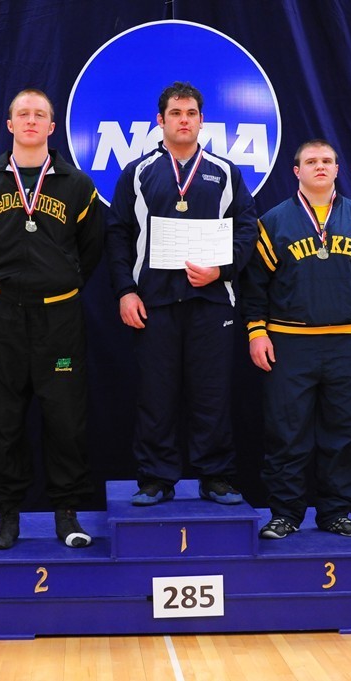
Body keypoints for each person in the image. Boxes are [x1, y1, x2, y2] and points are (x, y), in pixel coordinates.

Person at [0, 88, 103, 550]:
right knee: (2, 418)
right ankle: (6, 514)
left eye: (39, 114)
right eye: (22, 113)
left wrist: (56, 281)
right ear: (9, 124)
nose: (30, 121)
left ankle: (67, 511)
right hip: (3, 316)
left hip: (59, 317)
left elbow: (91, 250)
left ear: (51, 126)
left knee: (66, 417)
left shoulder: (76, 185)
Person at [106, 81, 258, 506]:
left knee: (212, 393)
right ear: (161, 120)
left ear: (201, 120)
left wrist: (221, 269)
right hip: (153, 300)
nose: (184, 120)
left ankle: (216, 477)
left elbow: (247, 228)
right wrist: (125, 291)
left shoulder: (225, 172)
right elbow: (118, 234)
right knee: (156, 394)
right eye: (176, 113)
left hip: (212, 301)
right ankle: (156, 477)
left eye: (191, 113)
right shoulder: (138, 172)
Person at [240, 139, 351, 539]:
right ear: (296, 171)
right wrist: (257, 332)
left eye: (327, 161)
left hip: (350, 344)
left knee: (343, 434)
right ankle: (285, 514)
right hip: (291, 343)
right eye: (311, 161)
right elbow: (254, 285)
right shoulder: (273, 223)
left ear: (338, 169)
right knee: (286, 433)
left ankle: (335, 513)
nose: (320, 167)